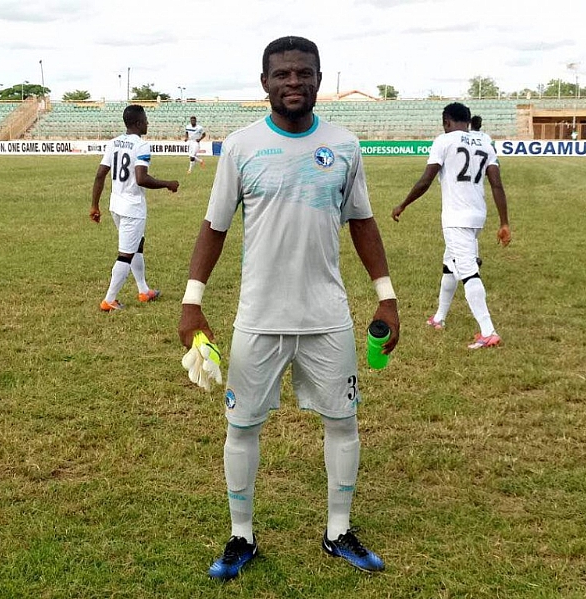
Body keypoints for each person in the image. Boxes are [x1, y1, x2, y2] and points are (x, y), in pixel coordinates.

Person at [178, 35, 400, 581]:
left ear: (319, 79)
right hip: (258, 318)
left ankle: (338, 531)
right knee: (241, 428)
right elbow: (214, 227)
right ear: (265, 83)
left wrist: (387, 296)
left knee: (343, 423)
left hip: (327, 318)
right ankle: (241, 536)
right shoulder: (241, 146)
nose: (293, 82)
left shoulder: (344, 145)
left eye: (304, 73)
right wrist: (192, 302)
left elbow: (362, 222)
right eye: (282, 74)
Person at [392, 102, 511, 349]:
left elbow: (426, 180)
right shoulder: (485, 142)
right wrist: (504, 222)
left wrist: (403, 204)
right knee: (449, 265)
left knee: (468, 272)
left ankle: (488, 331)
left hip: (456, 219)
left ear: (446, 121)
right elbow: (496, 184)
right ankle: (439, 317)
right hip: (477, 216)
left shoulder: (444, 141)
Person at [90, 104, 179, 311]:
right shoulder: (141, 145)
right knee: (125, 254)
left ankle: (144, 290)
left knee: (137, 244)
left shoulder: (113, 143)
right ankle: (109, 300)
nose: (148, 123)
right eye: (146, 120)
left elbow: (100, 175)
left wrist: (94, 205)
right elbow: (141, 178)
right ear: (138, 123)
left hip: (116, 205)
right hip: (132, 207)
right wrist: (168, 184)